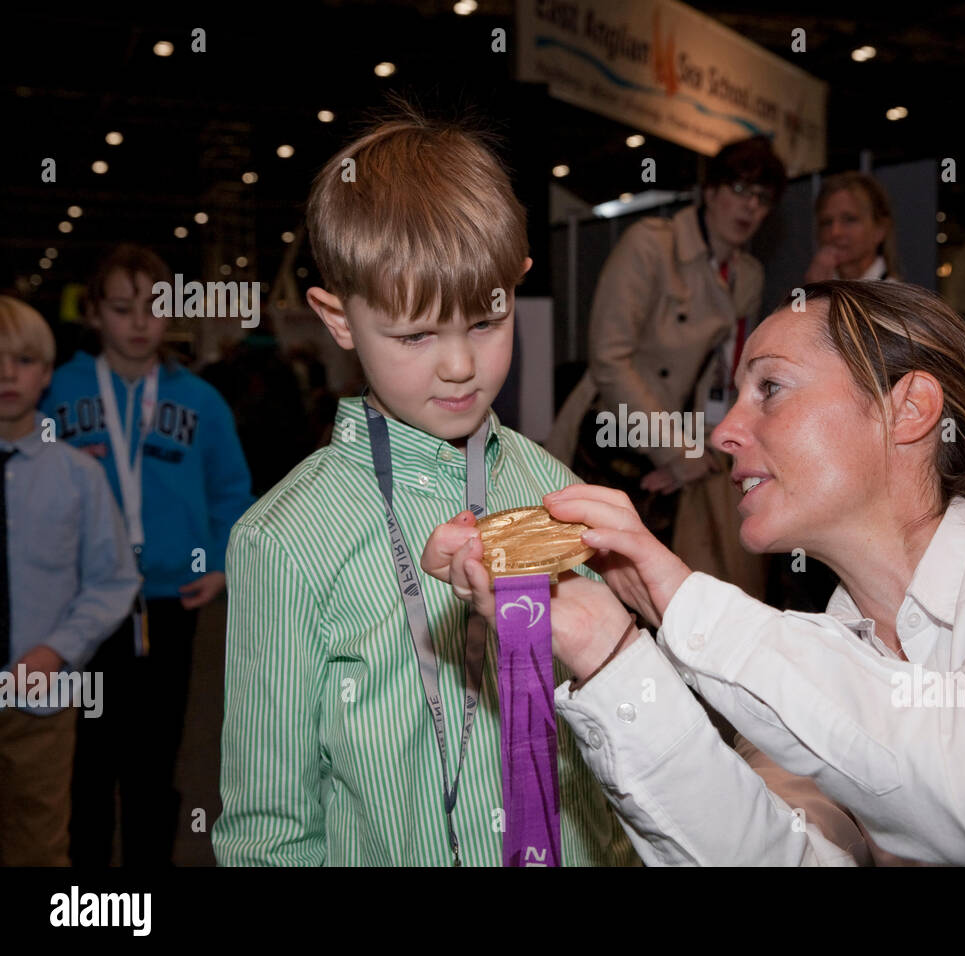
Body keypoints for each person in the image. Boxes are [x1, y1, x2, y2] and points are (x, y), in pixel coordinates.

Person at [431, 278, 965, 865]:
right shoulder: (822, 659)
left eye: (769, 388)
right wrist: (609, 651)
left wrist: (678, 594)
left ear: (909, 407)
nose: (726, 433)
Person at [211, 109, 638, 866]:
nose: (459, 366)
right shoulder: (283, 539)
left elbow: (614, 742)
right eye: (414, 336)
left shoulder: (557, 492)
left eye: (485, 321)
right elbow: (268, 824)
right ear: (337, 319)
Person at [41, 244, 254, 866]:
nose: (138, 323)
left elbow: (231, 492)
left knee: (155, 755)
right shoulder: (57, 391)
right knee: (82, 757)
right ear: (94, 314)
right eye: (122, 308)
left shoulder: (201, 402)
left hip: (167, 603)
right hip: (76, 607)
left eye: (153, 309)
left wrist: (218, 563)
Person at [547, 136, 786, 600]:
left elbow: (726, 376)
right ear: (711, 191)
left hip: (681, 448)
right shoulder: (651, 245)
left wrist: (703, 452)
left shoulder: (747, 275)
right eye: (739, 189)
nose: (749, 207)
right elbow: (610, 360)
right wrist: (675, 452)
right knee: (590, 585)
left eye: (762, 199)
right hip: (611, 433)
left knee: (662, 592)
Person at [0, 296, 139, 866]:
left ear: (48, 374)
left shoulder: (78, 476)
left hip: (39, 698)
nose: (8, 374)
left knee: (38, 842)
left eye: (24, 360)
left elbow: (114, 579)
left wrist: (56, 651)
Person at [804, 171, 901, 283]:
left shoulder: (893, 297)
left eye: (849, 219)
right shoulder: (814, 286)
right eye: (827, 222)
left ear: (880, 230)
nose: (835, 232)